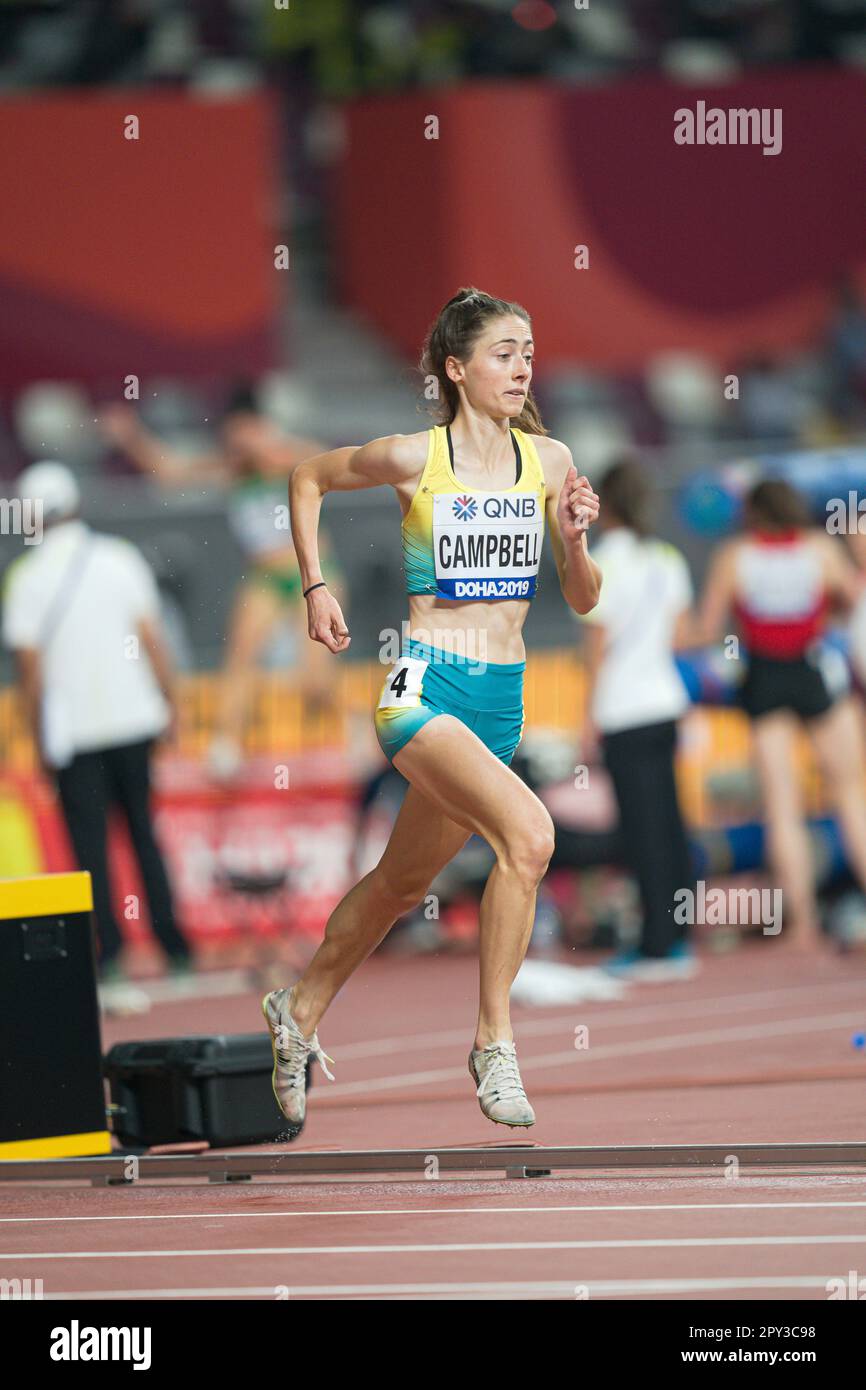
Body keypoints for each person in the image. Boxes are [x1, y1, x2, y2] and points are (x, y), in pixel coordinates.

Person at [261, 286, 602, 1130]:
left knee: (400, 883)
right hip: (424, 690)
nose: (523, 365)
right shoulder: (416, 458)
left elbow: (585, 600)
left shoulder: (551, 462)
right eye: (503, 352)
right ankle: (495, 1045)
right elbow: (306, 477)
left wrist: (577, 538)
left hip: (501, 706)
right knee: (530, 838)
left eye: (529, 350)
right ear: (456, 368)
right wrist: (314, 585)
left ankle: (296, 1014)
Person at [1, 461, 192, 982]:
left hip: (76, 734)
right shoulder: (118, 558)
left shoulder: (25, 578)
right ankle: (173, 944)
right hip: (134, 719)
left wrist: (38, 739)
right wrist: (173, 706)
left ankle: (108, 955)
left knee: (90, 847)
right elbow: (154, 641)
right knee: (143, 834)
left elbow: (31, 674)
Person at [99, 387, 343, 781]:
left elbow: (328, 459)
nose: (236, 442)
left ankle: (352, 733)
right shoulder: (231, 468)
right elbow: (170, 472)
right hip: (266, 577)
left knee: (314, 680)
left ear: (260, 428)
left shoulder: (289, 459)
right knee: (240, 660)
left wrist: (273, 447)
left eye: (244, 433)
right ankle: (225, 748)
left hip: (312, 577)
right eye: (231, 435)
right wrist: (131, 436)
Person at [698, 478, 866, 951]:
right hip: (812, 670)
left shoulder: (735, 556)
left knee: (782, 807)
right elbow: (853, 605)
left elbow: (709, 627)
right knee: (851, 796)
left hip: (765, 677)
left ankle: (804, 926)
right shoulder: (819, 548)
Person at [580, 460, 697, 981]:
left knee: (640, 830)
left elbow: (597, 648)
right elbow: (680, 636)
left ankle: (655, 944)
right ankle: (677, 933)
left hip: (623, 708)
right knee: (670, 823)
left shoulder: (603, 561)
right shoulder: (667, 557)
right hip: (665, 701)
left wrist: (586, 720)